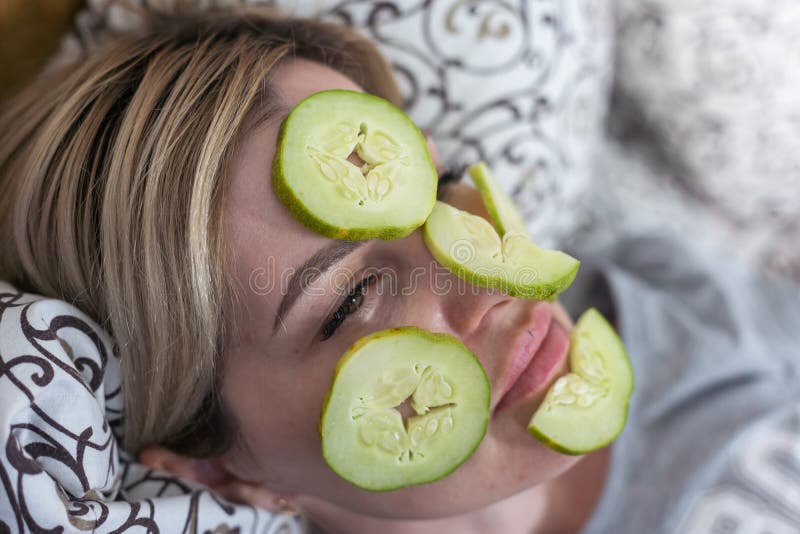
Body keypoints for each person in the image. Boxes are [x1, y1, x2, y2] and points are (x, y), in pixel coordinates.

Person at [1, 6, 798, 534]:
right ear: (217, 467)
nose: (491, 284)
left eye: (444, 191)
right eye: (350, 299)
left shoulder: (676, 295)